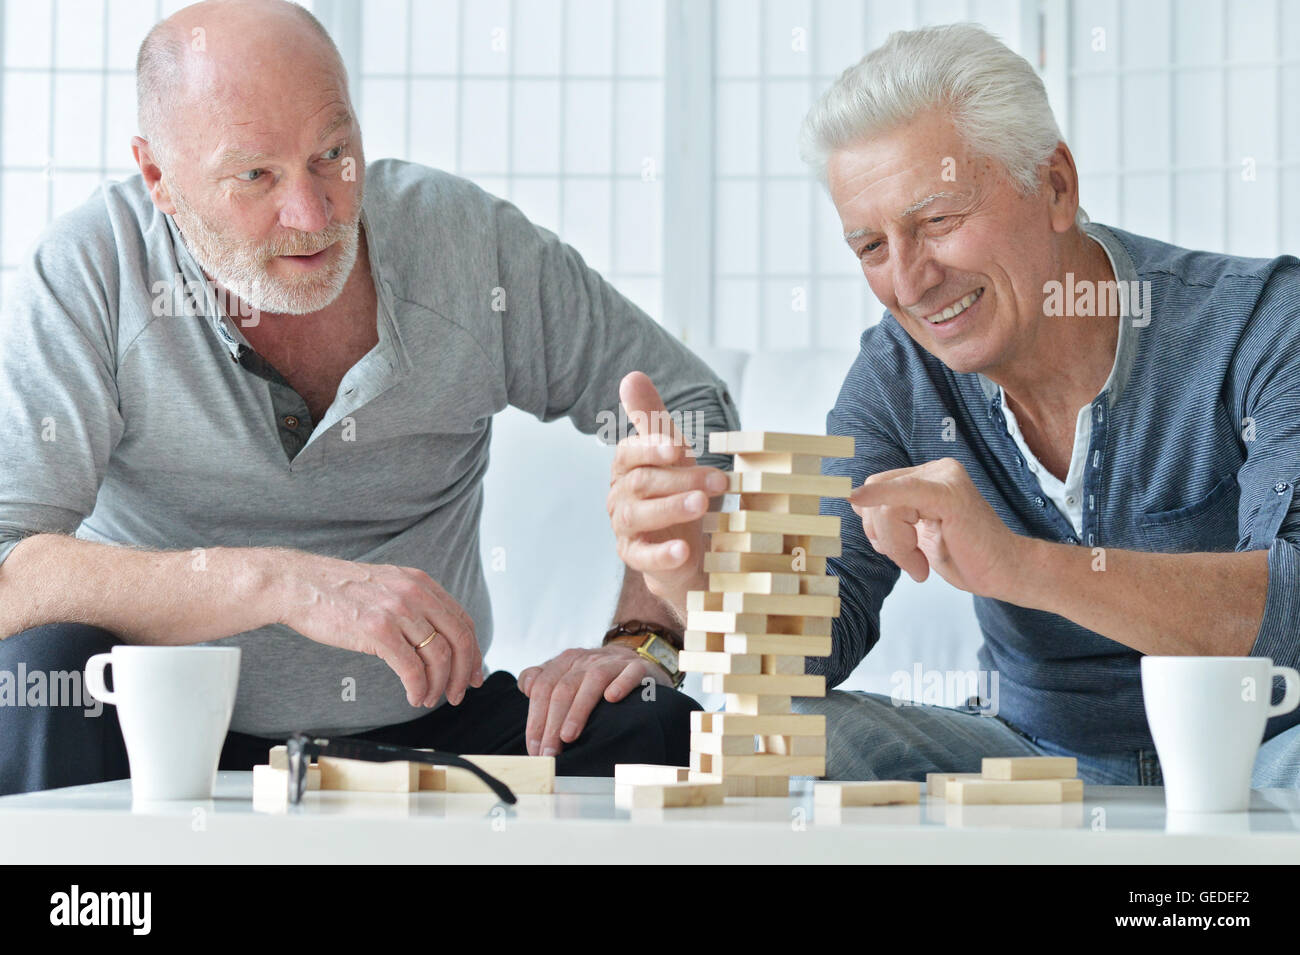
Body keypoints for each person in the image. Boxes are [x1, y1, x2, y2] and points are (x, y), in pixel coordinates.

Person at [0, 0, 738, 795]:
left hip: (428, 735)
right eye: (256, 174)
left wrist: (642, 634)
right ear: (160, 179)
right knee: (41, 670)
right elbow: (10, 564)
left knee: (655, 722)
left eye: (332, 153)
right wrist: (280, 582)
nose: (313, 215)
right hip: (163, 745)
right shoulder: (92, 270)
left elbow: (691, 405)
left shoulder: (463, 244)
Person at [610, 22, 1300, 787]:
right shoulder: (901, 372)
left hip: (1266, 749)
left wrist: (1020, 566)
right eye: (871, 247)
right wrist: (697, 579)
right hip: (1037, 759)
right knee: (768, 731)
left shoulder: (1261, 325)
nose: (909, 282)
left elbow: (1293, 617)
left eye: (937, 220)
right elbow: (814, 644)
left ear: (1057, 187)